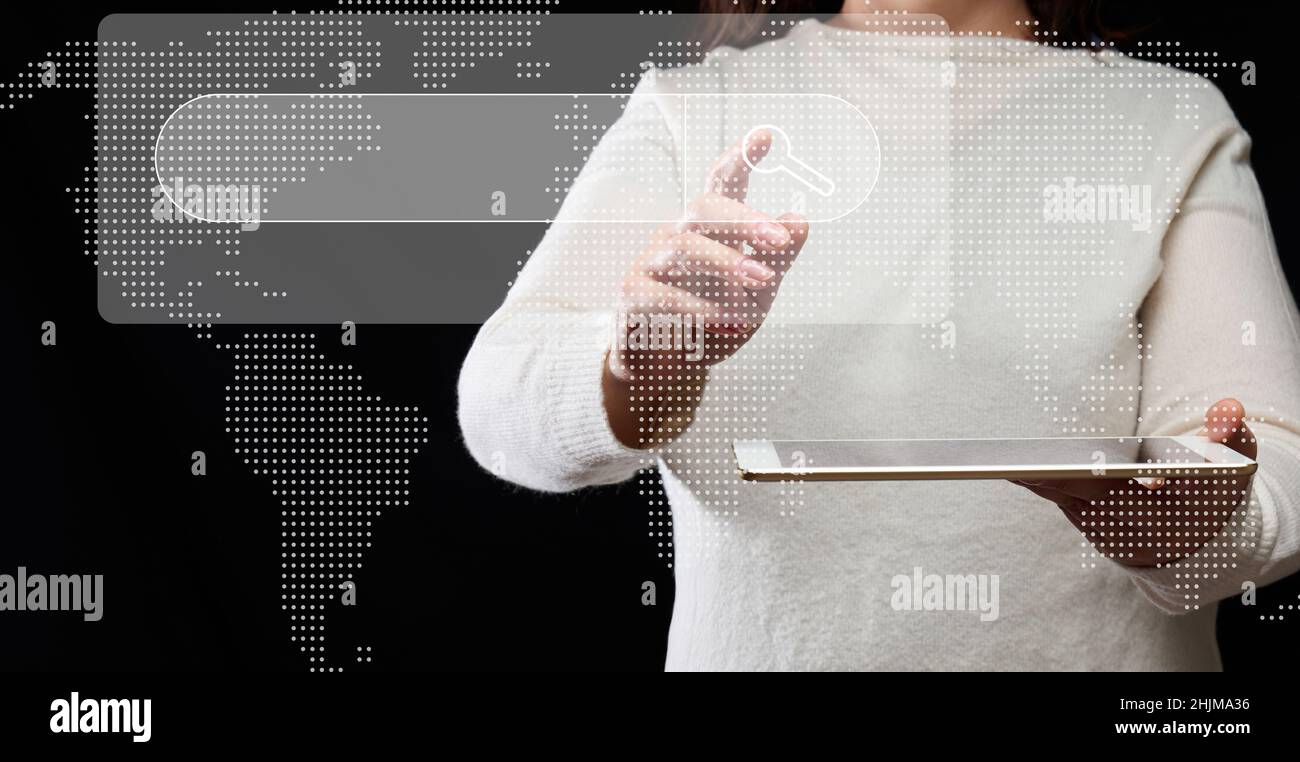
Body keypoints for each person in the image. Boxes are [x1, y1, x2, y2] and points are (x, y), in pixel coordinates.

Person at [458, 0, 1300, 670]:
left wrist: (1195, 526)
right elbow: (499, 400)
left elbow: (1279, 460)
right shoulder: (695, 109)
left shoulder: (1172, 120)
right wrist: (633, 373)